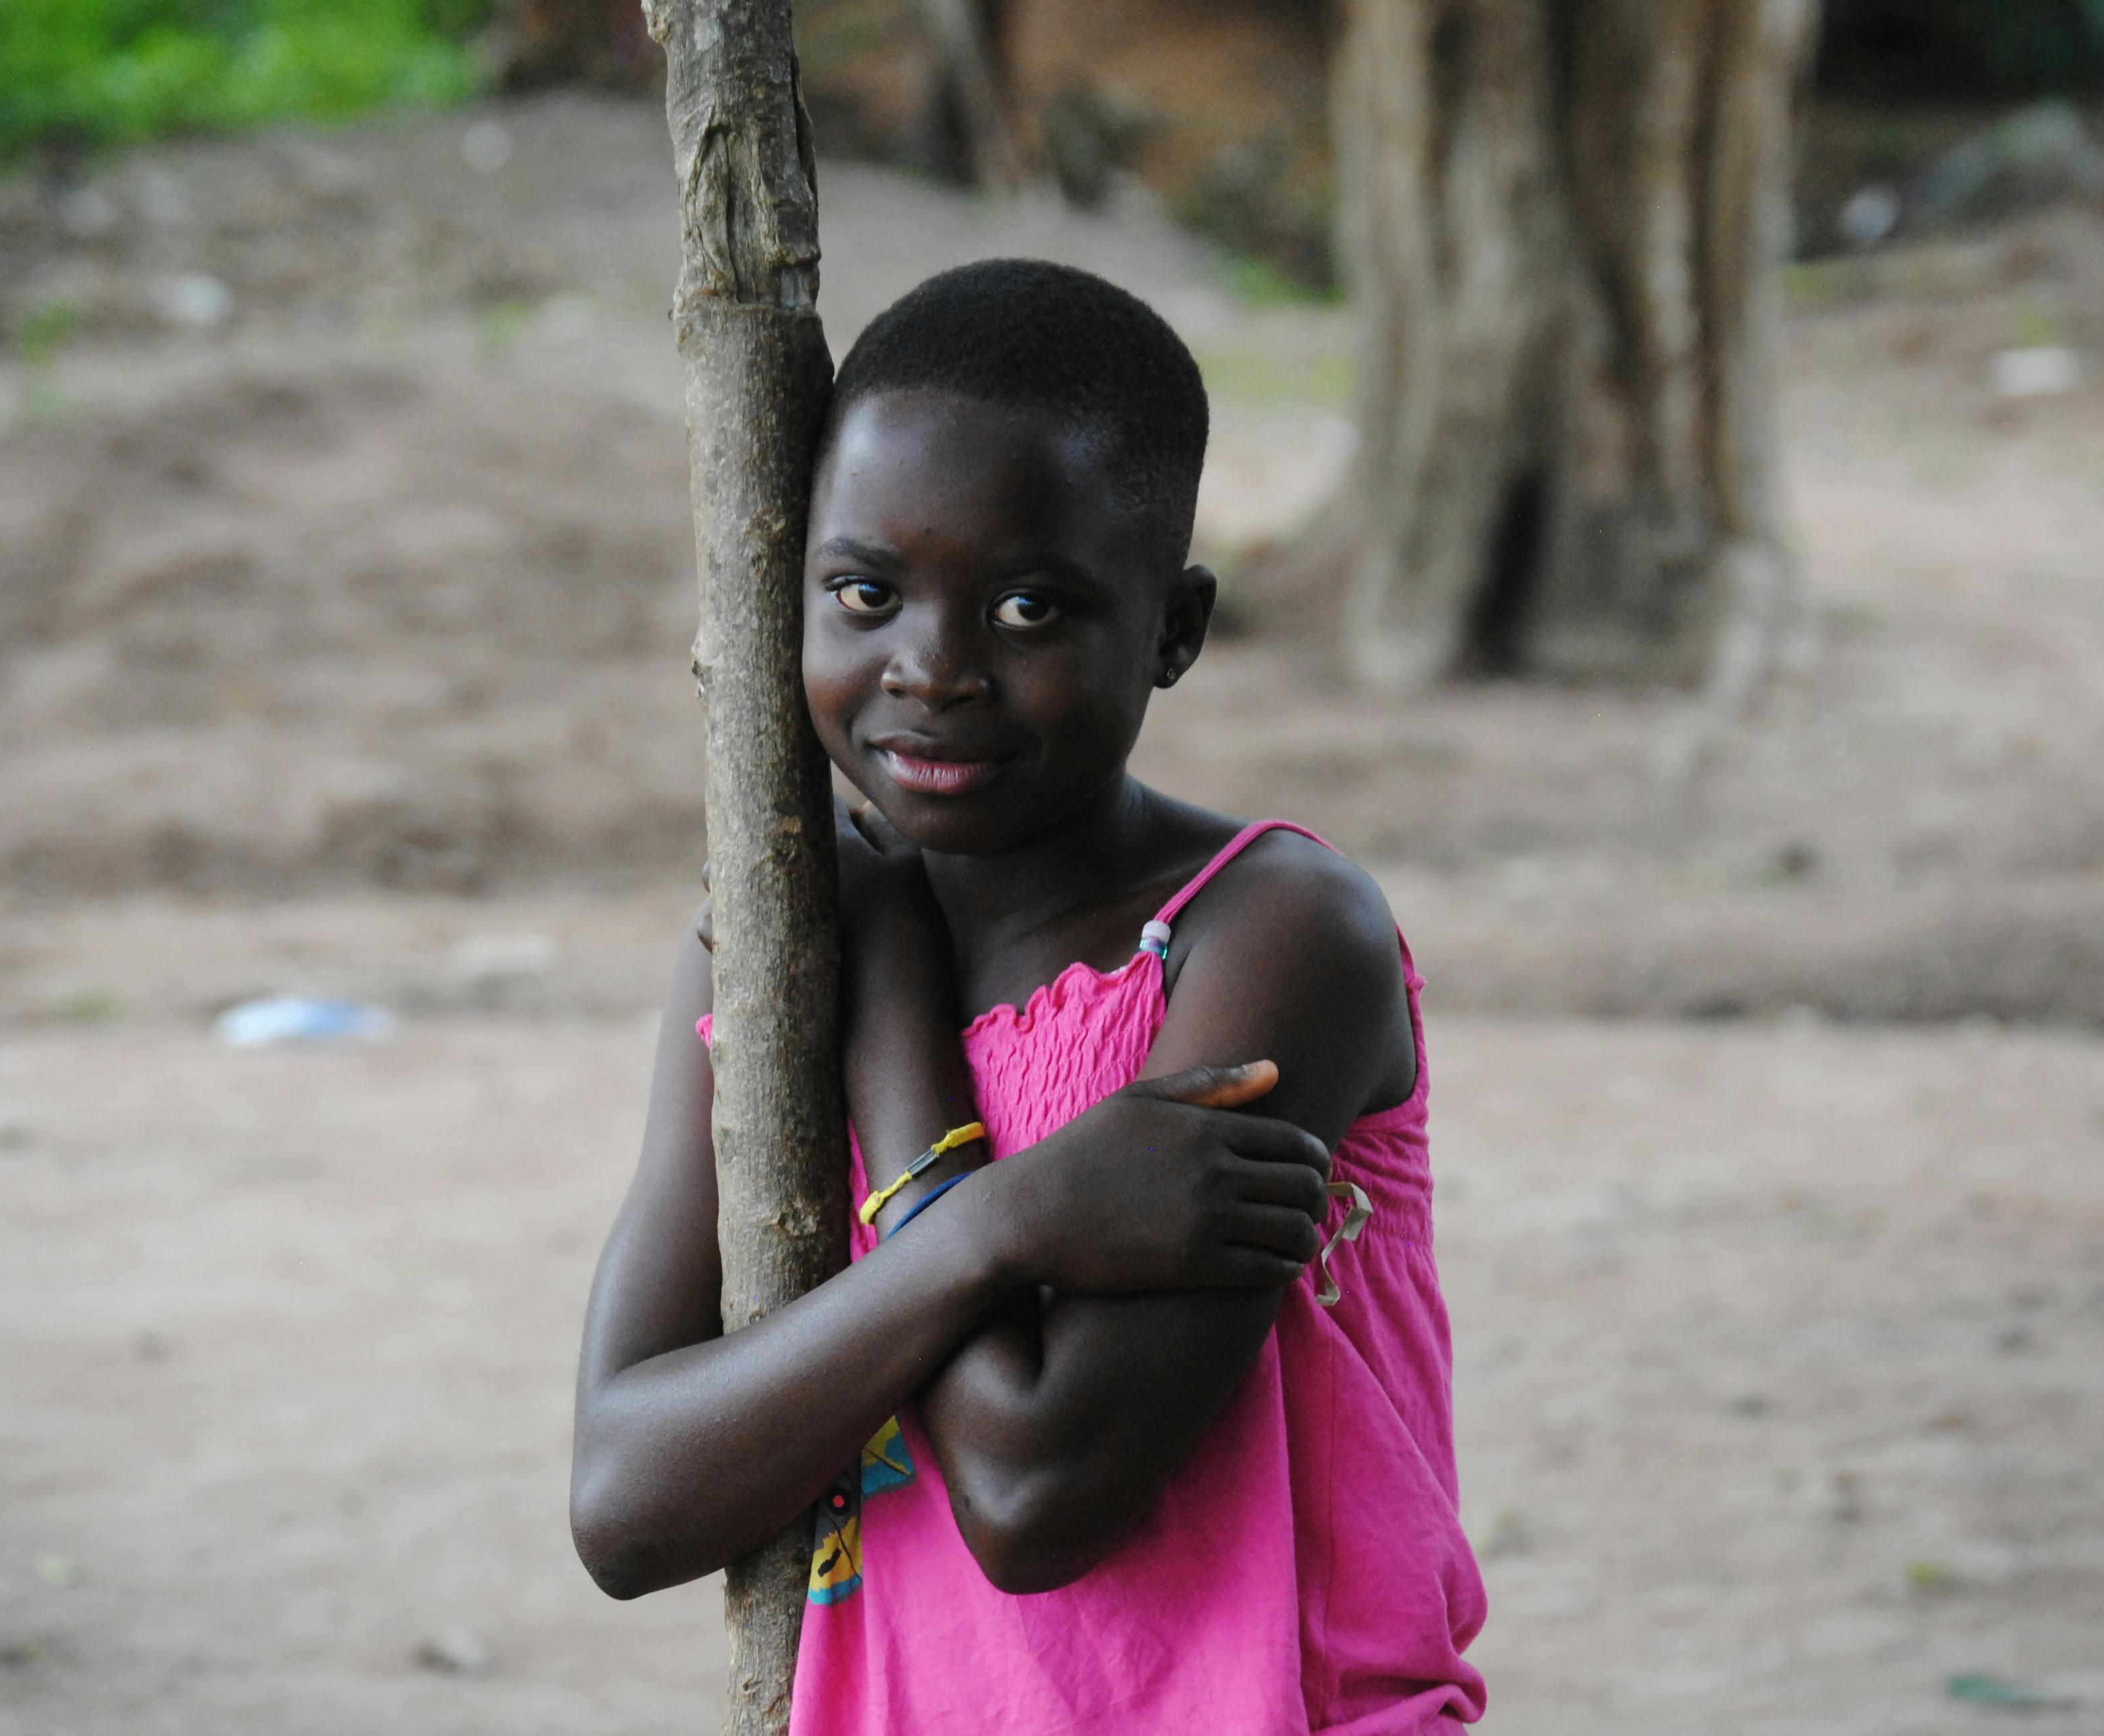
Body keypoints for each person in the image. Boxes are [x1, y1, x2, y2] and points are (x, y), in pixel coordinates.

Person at [571, 258, 1486, 1733]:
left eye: (1028, 607)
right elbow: (625, 1505)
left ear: (1174, 630)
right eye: (864, 592)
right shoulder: (767, 954)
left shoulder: (1267, 935)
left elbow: (1037, 1493)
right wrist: (1012, 1218)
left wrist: (888, 1024)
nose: (933, 672)